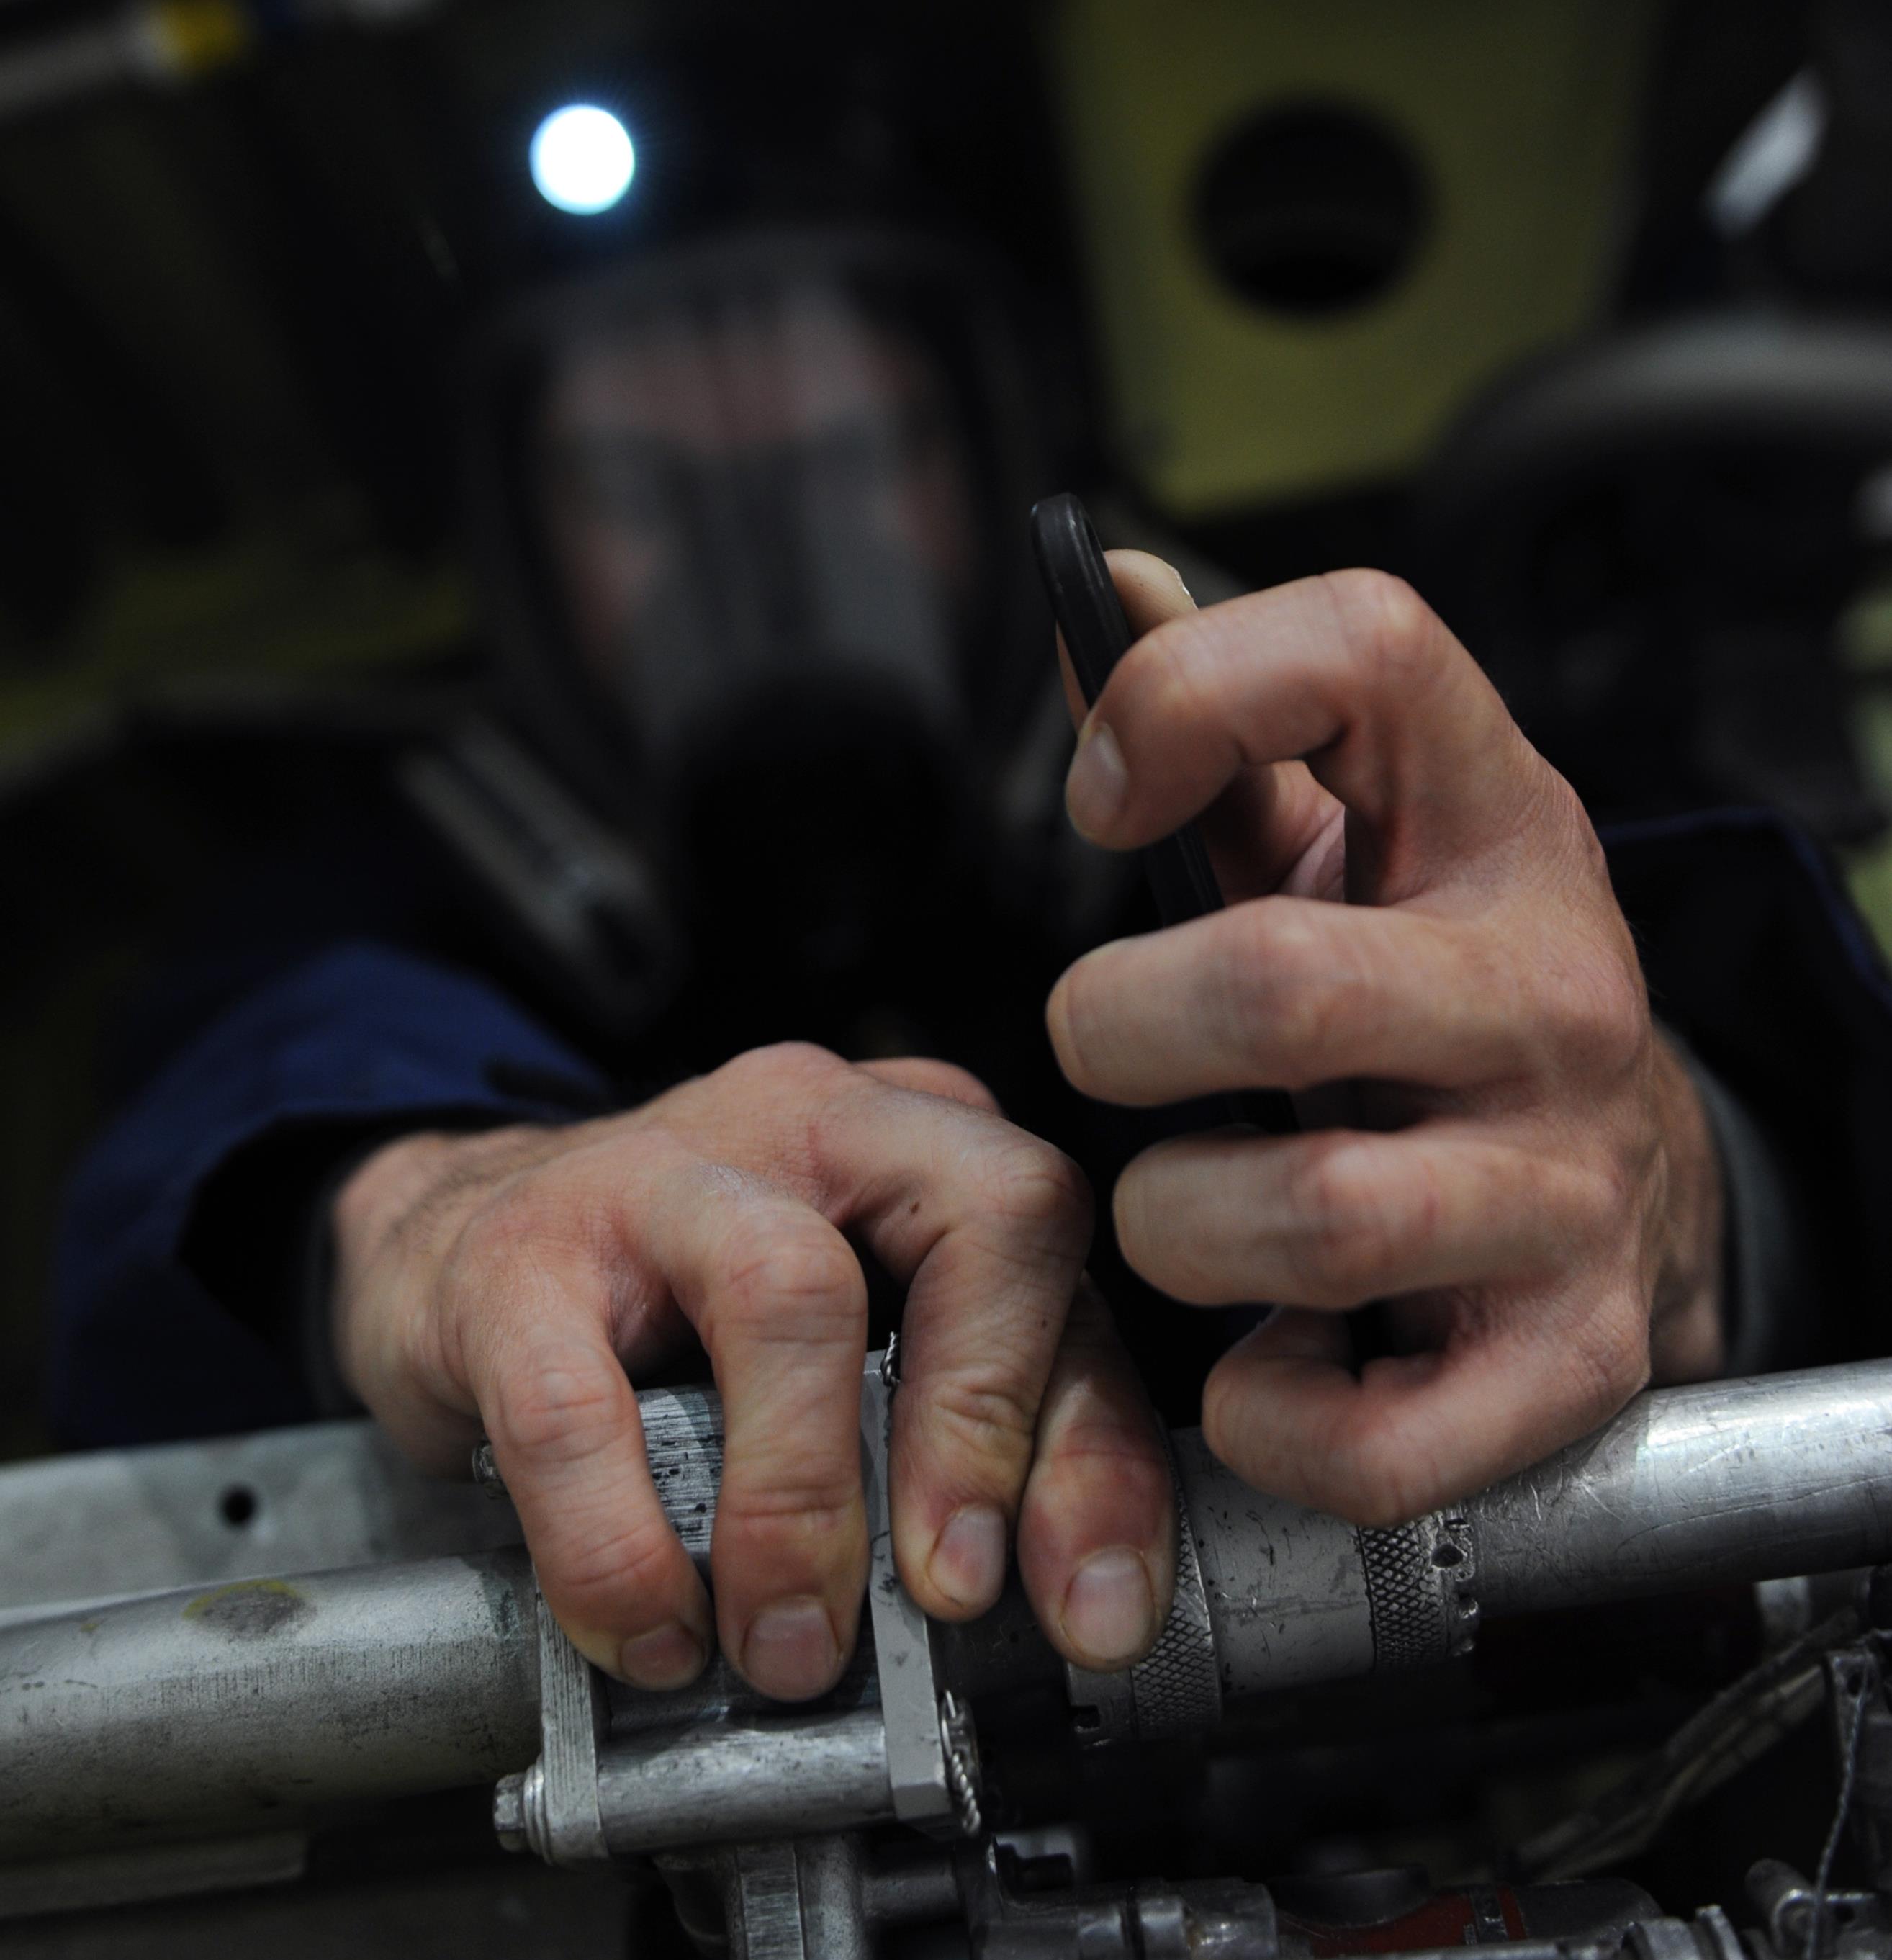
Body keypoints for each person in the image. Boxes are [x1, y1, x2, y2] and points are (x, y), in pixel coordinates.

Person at [58, 536, 1892, 1708]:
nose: (779, 544)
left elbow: (1690, 953)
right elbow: (262, 1059)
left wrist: (1672, 1181)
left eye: (868, 451)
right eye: (643, 486)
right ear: (517, 551)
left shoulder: (1343, 779)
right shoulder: (374, 895)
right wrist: (438, 1206)